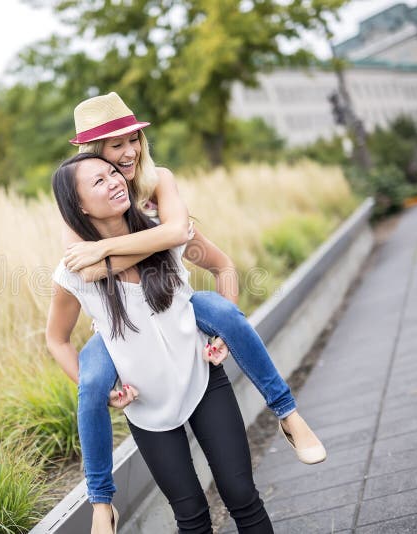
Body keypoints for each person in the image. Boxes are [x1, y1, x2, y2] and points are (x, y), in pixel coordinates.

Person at [60, 92, 326, 532]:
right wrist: (161, 238)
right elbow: (86, 273)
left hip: (186, 340)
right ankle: (101, 502)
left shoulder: (158, 183)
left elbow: (205, 253)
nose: (129, 152)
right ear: (92, 154)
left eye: (133, 140)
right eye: (115, 145)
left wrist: (114, 248)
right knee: (90, 383)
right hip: (128, 348)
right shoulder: (78, 209)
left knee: (218, 311)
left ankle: (288, 413)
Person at [46, 153, 275, 533]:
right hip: (147, 407)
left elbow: (223, 266)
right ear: (79, 206)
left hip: (204, 382)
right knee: (191, 518)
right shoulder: (74, 274)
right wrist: (103, 392)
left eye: (113, 173)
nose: (115, 181)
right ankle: (102, 503)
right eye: (98, 182)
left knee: (242, 496)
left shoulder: (168, 233)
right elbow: (57, 339)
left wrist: (223, 330)